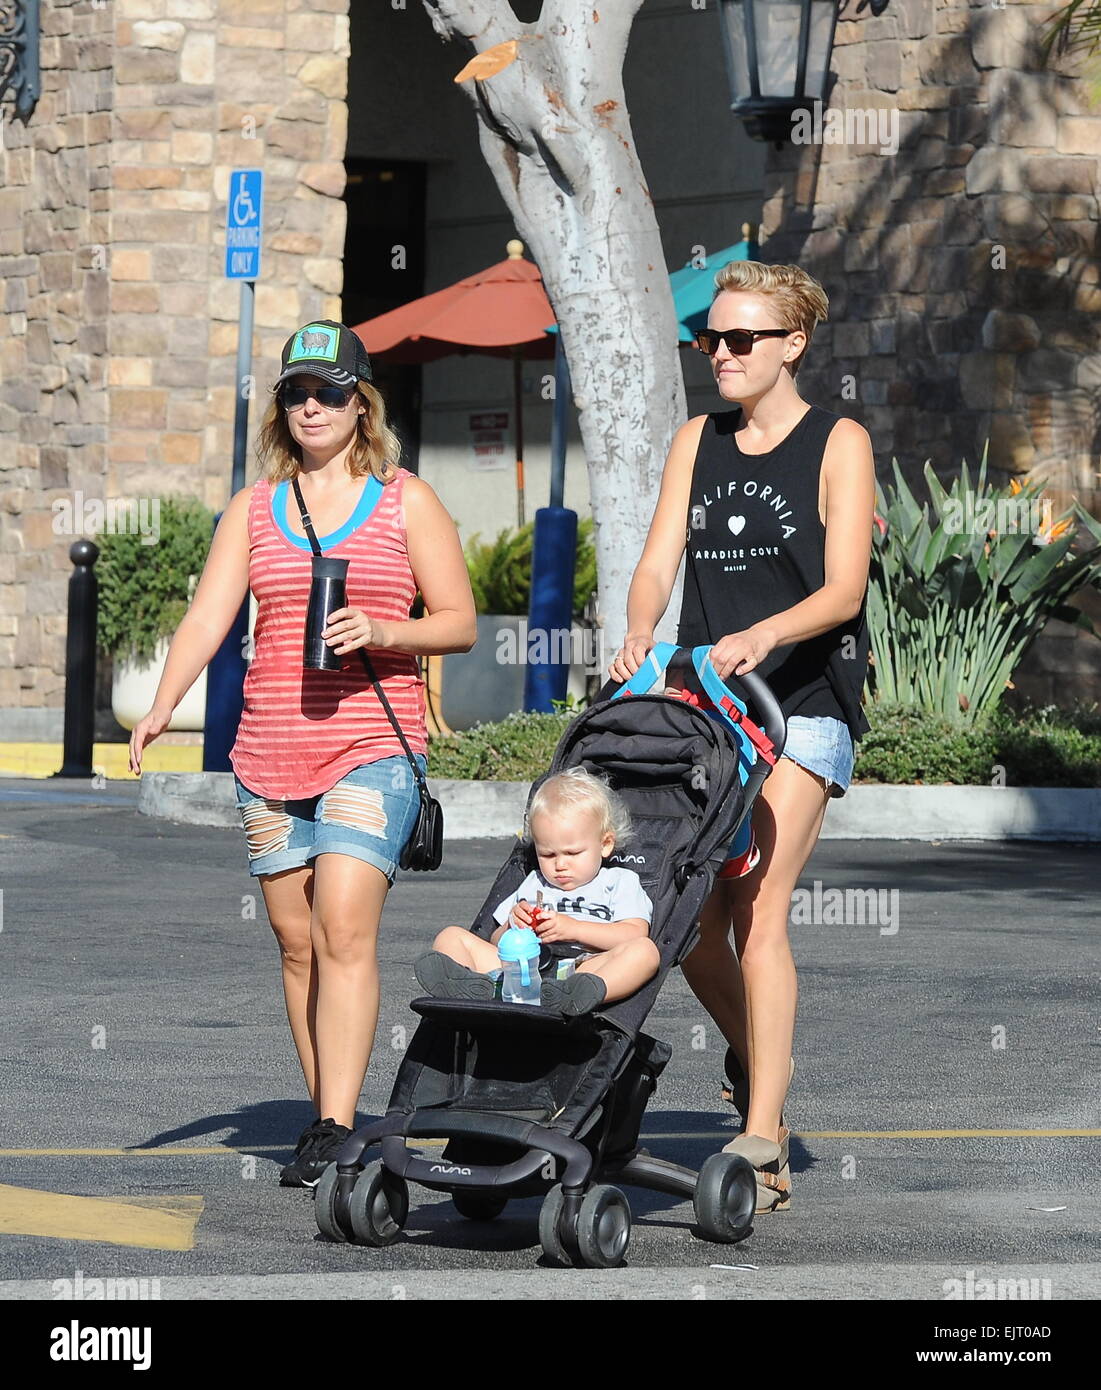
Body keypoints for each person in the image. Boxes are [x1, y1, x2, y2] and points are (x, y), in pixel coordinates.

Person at [128, 320, 476, 1187]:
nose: (313, 406)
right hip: (268, 751)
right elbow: (210, 616)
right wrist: (163, 705)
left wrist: (384, 629)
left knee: (343, 927)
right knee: (295, 943)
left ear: (362, 404)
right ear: (282, 407)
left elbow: (460, 623)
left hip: (370, 745)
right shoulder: (253, 510)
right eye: (297, 392)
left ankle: (329, 1126)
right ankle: (332, 1102)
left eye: (330, 391)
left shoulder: (406, 500)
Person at [609, 262, 875, 1213]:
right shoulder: (697, 439)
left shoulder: (836, 441)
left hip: (800, 701)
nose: (718, 354)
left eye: (740, 340)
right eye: (709, 340)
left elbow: (844, 587)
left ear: (792, 345)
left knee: (759, 909)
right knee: (685, 927)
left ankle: (760, 1137)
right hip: (708, 704)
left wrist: (765, 633)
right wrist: (640, 629)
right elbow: (655, 562)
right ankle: (758, 1051)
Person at [414, 768, 659, 1014]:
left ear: (605, 844)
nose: (560, 864)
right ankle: (482, 987)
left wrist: (573, 929)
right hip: (520, 969)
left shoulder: (618, 881)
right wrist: (512, 926)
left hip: (582, 969)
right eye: (547, 854)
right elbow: (495, 940)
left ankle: (568, 995)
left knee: (645, 953)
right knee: (450, 936)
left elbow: (633, 934)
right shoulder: (535, 882)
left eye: (573, 853)